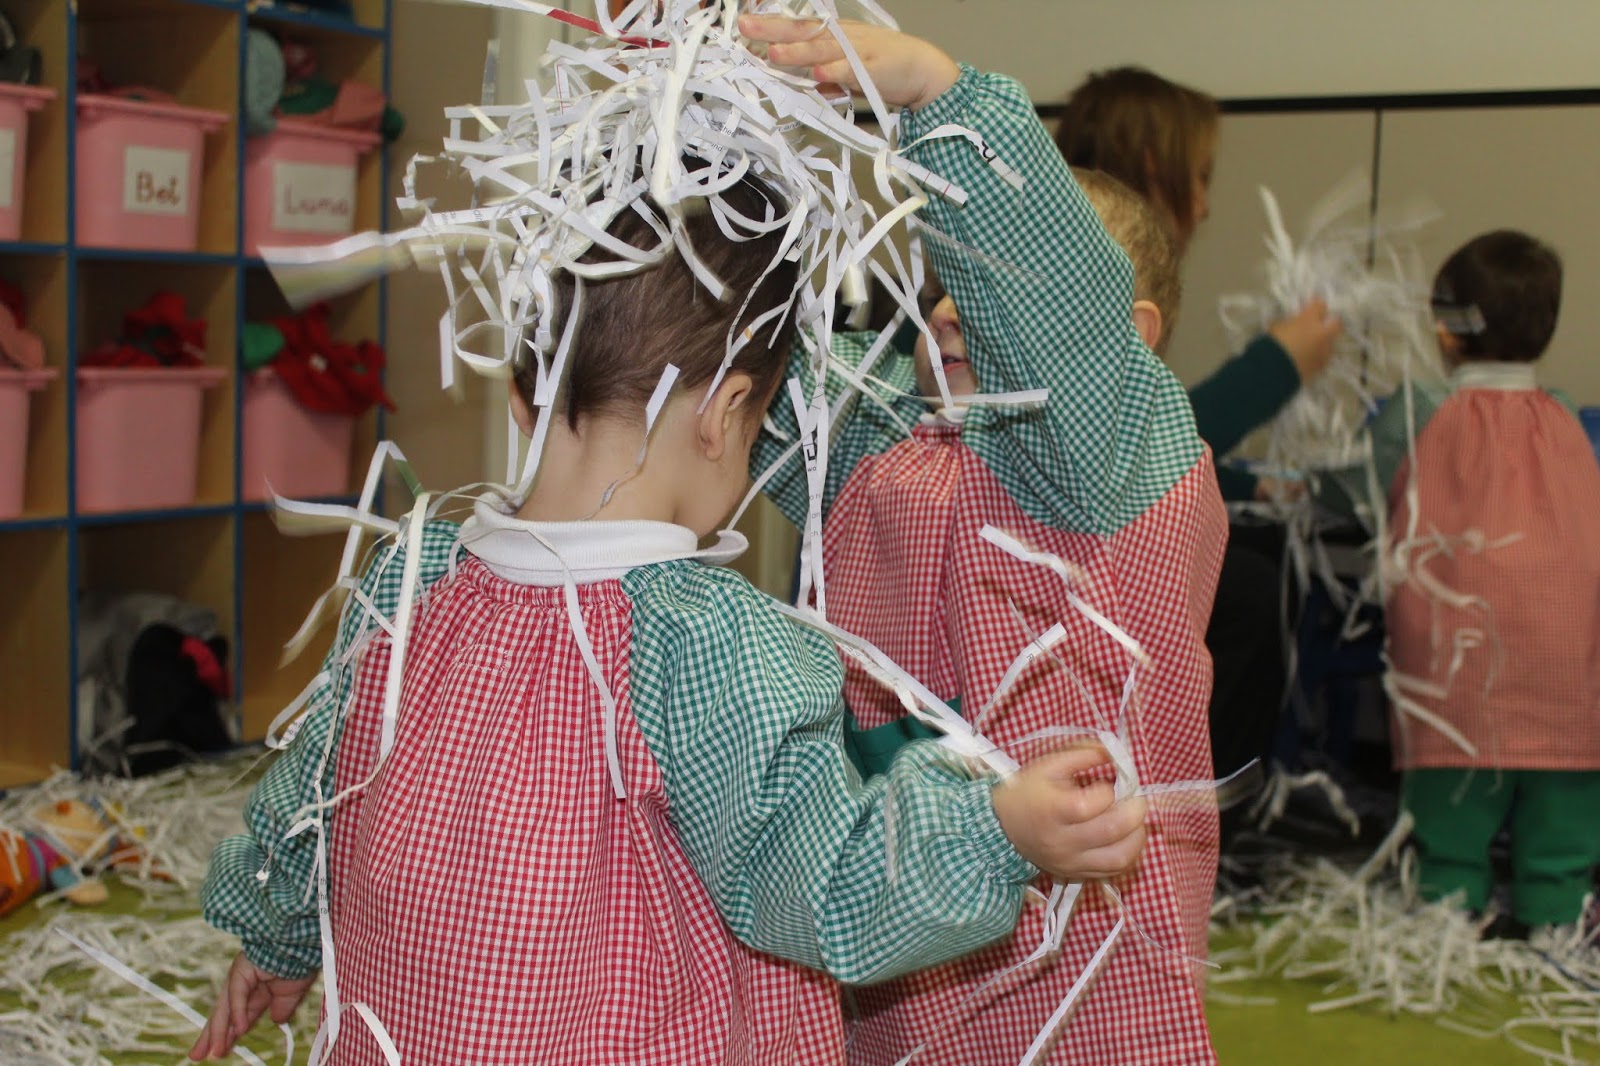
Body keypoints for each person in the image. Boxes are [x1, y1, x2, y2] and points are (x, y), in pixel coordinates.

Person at [187, 18, 1151, 1064]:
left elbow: (307, 794)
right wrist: (994, 831)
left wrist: (275, 935)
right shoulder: (707, 644)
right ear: (726, 409)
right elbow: (817, 878)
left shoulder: (411, 580)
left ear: (522, 392)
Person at [753, 69, 1225, 1066]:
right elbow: (749, 368)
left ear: (1129, 347)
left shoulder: (1110, 462)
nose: (953, 314)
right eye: (939, 290)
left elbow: (1054, 330)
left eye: (990, 301)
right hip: (905, 918)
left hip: (1082, 956)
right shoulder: (881, 447)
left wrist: (939, 96)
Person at [1055, 66, 1344, 788]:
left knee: (1254, 561)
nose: (1208, 206)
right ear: (1157, 167)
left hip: (1081, 521)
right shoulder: (1084, 257)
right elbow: (1149, 436)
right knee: (1246, 589)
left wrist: (1250, 481)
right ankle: (1195, 810)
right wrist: (1279, 363)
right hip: (1057, 540)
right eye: (1202, 176)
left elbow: (1142, 437)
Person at [1361, 230, 1600, 936]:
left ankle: (1446, 908)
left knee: (1450, 803)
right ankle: (1557, 914)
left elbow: (1361, 494)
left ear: (1445, 328)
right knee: (1565, 806)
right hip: (1565, 660)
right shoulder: (1567, 420)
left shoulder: (1420, 412)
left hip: (1456, 663)